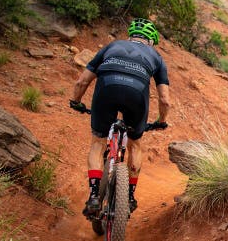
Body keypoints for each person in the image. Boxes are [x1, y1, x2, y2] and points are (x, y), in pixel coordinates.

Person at [69, 18, 171, 216]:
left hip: (106, 89)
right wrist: (161, 121)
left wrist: (76, 102)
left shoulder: (112, 46)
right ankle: (130, 196)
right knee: (135, 143)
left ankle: (93, 196)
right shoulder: (157, 57)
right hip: (137, 96)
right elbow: (165, 100)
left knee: (98, 143)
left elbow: (82, 81)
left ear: (131, 36)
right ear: (151, 41)